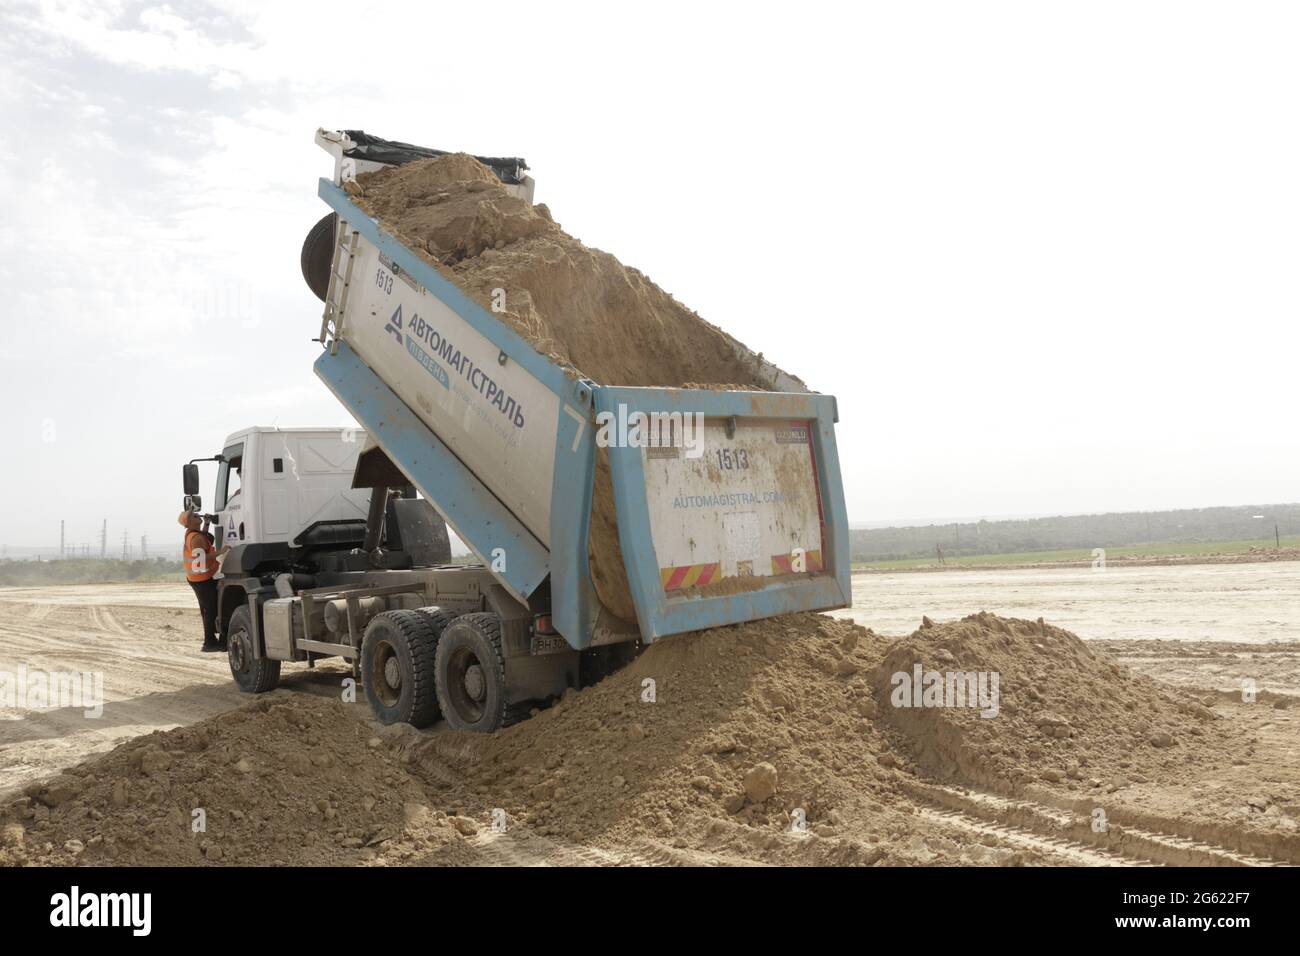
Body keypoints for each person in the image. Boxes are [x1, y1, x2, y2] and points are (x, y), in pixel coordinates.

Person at [180, 510, 222, 652]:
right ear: (190, 523)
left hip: (198, 578)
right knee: (209, 610)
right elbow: (201, 558)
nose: (197, 515)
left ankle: (211, 640)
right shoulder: (195, 538)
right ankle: (209, 642)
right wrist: (220, 552)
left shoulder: (195, 535)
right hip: (201, 579)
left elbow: (204, 538)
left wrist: (207, 524)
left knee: (207, 609)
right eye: (193, 515)